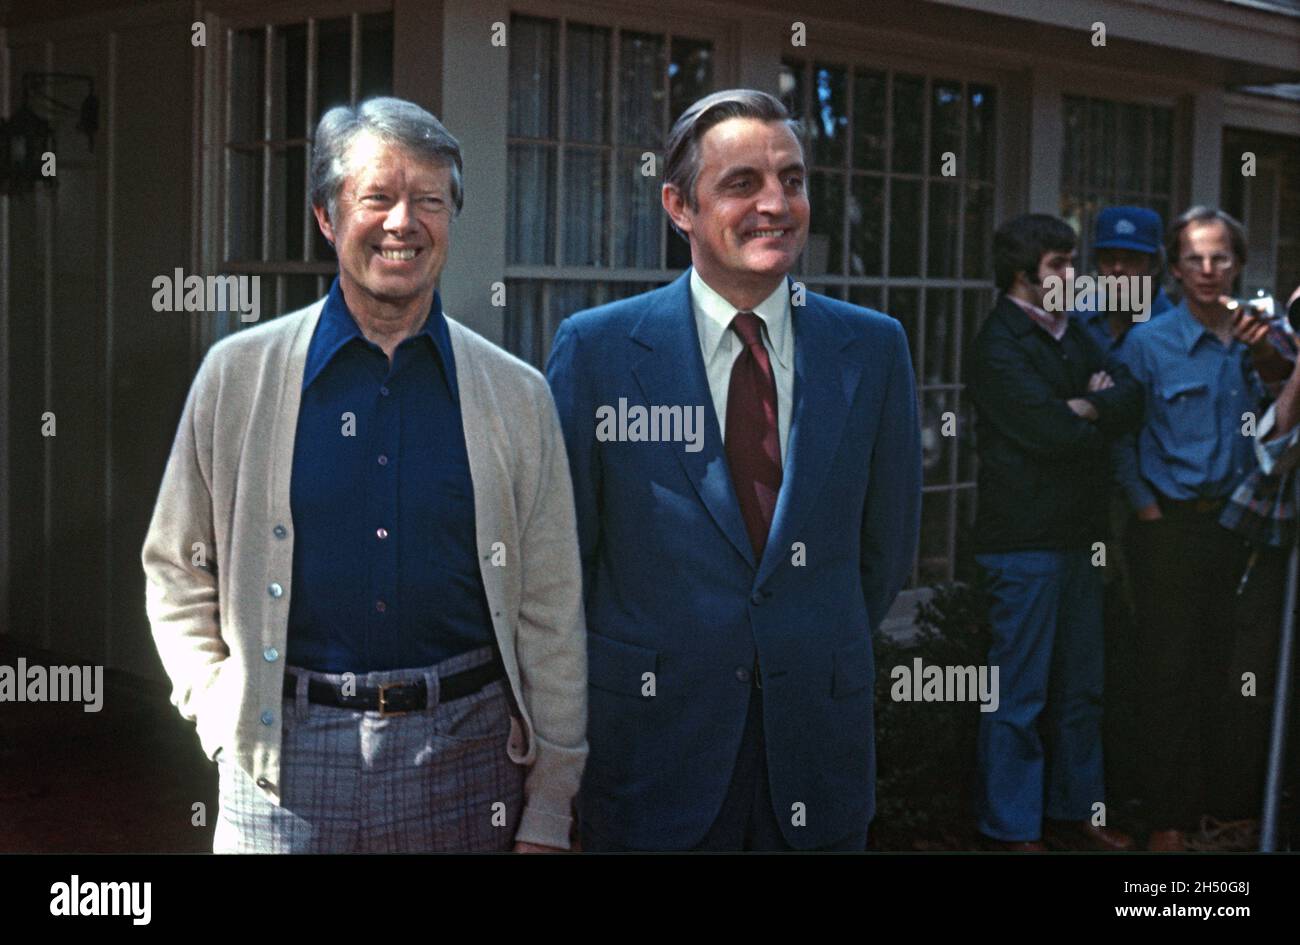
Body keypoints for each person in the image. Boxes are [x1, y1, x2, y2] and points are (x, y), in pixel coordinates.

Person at [142, 97, 587, 853]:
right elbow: (175, 568)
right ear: (326, 215)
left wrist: (549, 807)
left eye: (430, 201)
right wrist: (220, 710)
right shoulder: (237, 376)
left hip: (468, 765)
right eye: (376, 197)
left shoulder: (517, 395)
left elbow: (552, 612)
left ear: (452, 218)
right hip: (281, 768)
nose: (401, 222)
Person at [546, 89, 921, 851]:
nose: (776, 204)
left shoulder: (873, 349)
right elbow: (562, 566)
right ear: (679, 205)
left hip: (815, 756)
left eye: (793, 178)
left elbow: (884, 551)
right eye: (743, 183)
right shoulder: (599, 350)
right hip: (654, 757)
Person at [967, 213, 1141, 852]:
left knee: (1081, 690)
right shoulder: (1000, 344)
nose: (1074, 275)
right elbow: (1050, 433)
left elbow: (1132, 396)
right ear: (1024, 274)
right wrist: (1089, 410)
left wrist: (1086, 405)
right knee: (1018, 694)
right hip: (1024, 543)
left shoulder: (1076, 335)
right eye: (1059, 265)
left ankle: (1078, 813)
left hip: (1081, 536)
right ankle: (1011, 829)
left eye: (1073, 261)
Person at [1112, 206, 1266, 851]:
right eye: (1195, 258)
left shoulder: (1262, 342)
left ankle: (1228, 809)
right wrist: (1147, 508)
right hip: (1170, 530)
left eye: (1221, 257)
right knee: (1168, 674)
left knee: (1233, 672)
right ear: (1175, 268)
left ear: (1238, 263)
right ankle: (1168, 821)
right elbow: (1119, 436)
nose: (1208, 270)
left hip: (1243, 528)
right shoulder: (1150, 343)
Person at [1076, 206, 1174, 356]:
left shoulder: (1174, 330)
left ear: (1155, 265)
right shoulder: (1079, 317)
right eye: (1108, 259)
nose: (1117, 269)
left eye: (1131, 259)